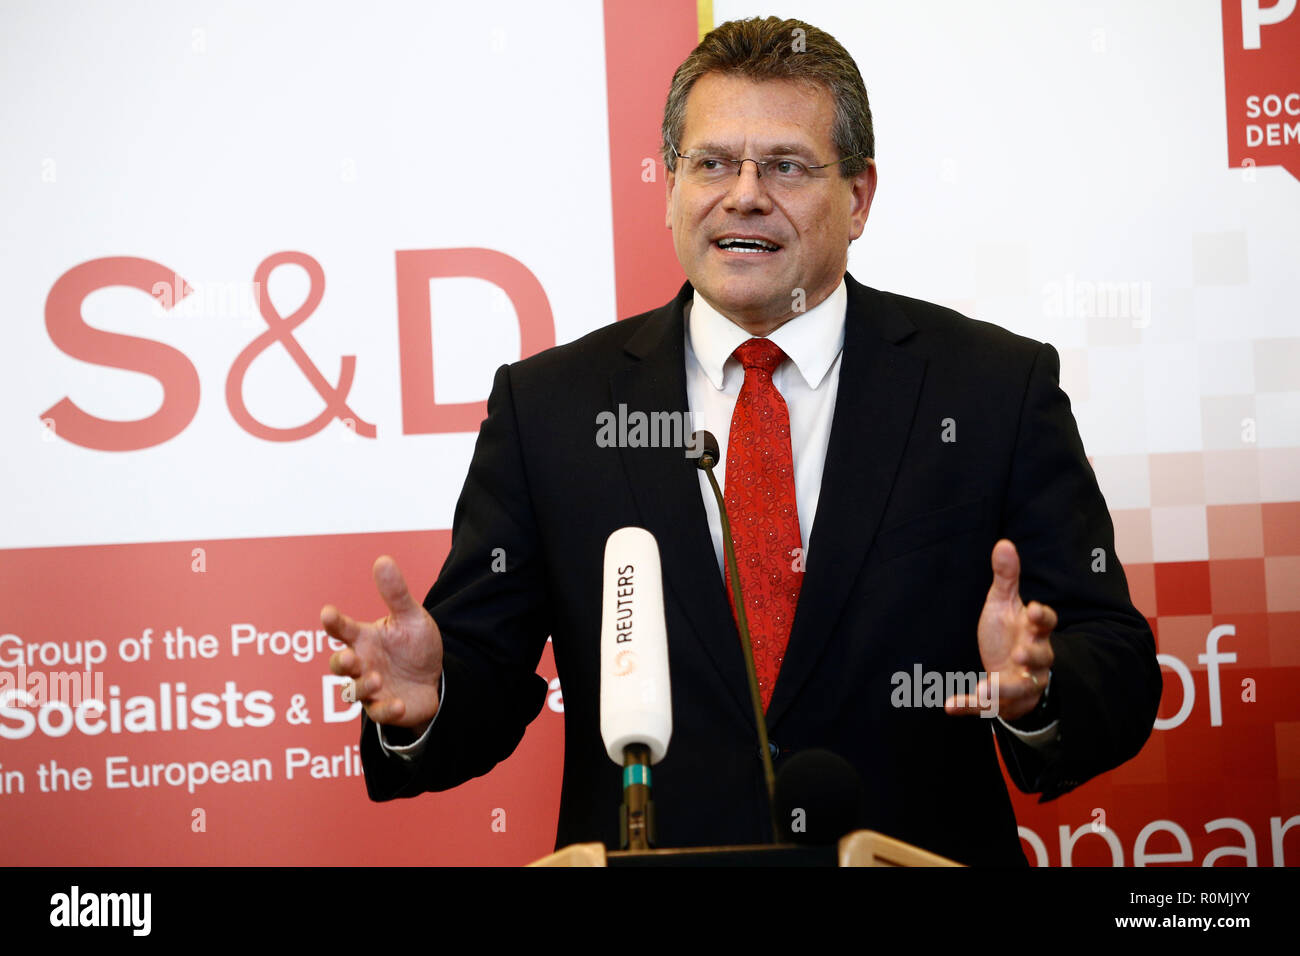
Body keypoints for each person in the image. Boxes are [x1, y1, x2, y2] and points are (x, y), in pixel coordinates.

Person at [322, 16, 1161, 866]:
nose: (745, 194)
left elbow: (1118, 663)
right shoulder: (551, 409)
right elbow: (486, 675)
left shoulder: (990, 388)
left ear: (859, 198)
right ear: (670, 188)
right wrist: (430, 699)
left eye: (787, 166)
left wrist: (1038, 692)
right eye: (712, 163)